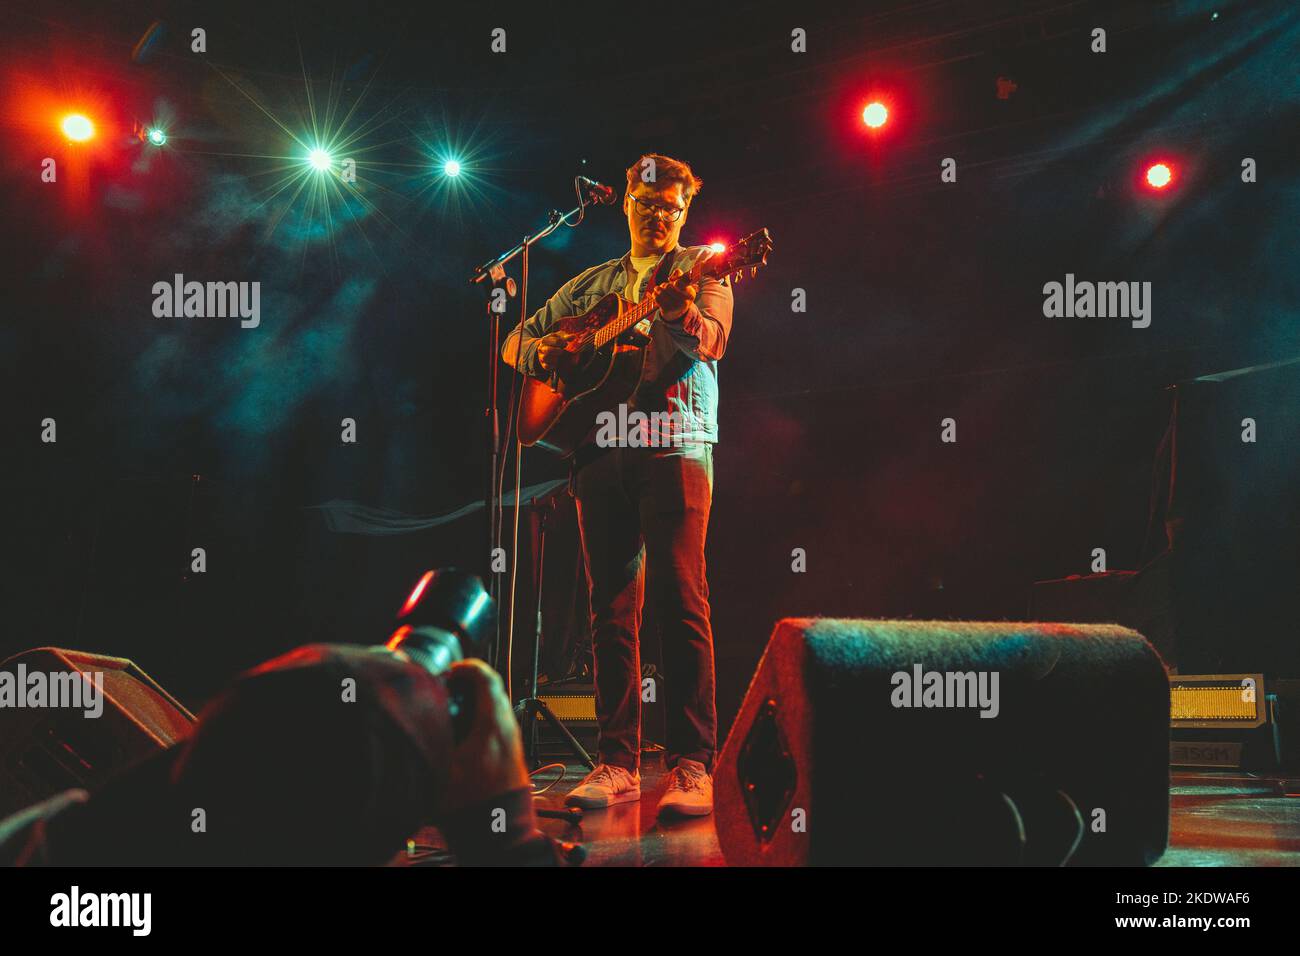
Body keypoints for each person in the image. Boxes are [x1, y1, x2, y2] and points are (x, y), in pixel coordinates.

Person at [503, 154, 732, 816]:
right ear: (628, 202)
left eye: (671, 206)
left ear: (684, 213)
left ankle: (691, 764)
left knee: (681, 599)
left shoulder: (703, 270)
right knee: (611, 608)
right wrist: (544, 354)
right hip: (599, 449)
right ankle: (615, 763)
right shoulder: (591, 284)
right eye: (647, 201)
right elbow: (518, 339)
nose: (658, 213)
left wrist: (681, 311)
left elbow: (711, 341)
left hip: (674, 445)